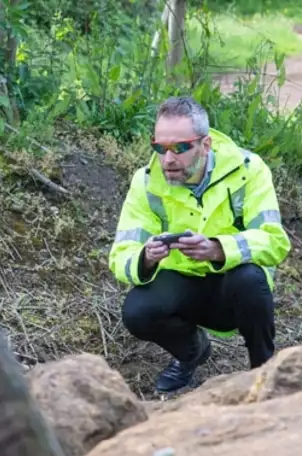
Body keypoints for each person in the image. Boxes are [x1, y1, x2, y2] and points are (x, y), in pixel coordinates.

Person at [108, 96, 291, 393]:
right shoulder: (145, 182)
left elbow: (274, 240)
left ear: (205, 145)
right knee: (137, 312)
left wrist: (220, 248)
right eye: (159, 148)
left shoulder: (248, 169)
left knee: (251, 279)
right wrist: (146, 257)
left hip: (233, 287)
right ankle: (191, 353)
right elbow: (121, 255)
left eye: (180, 148)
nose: (168, 159)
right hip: (182, 286)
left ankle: (264, 371)